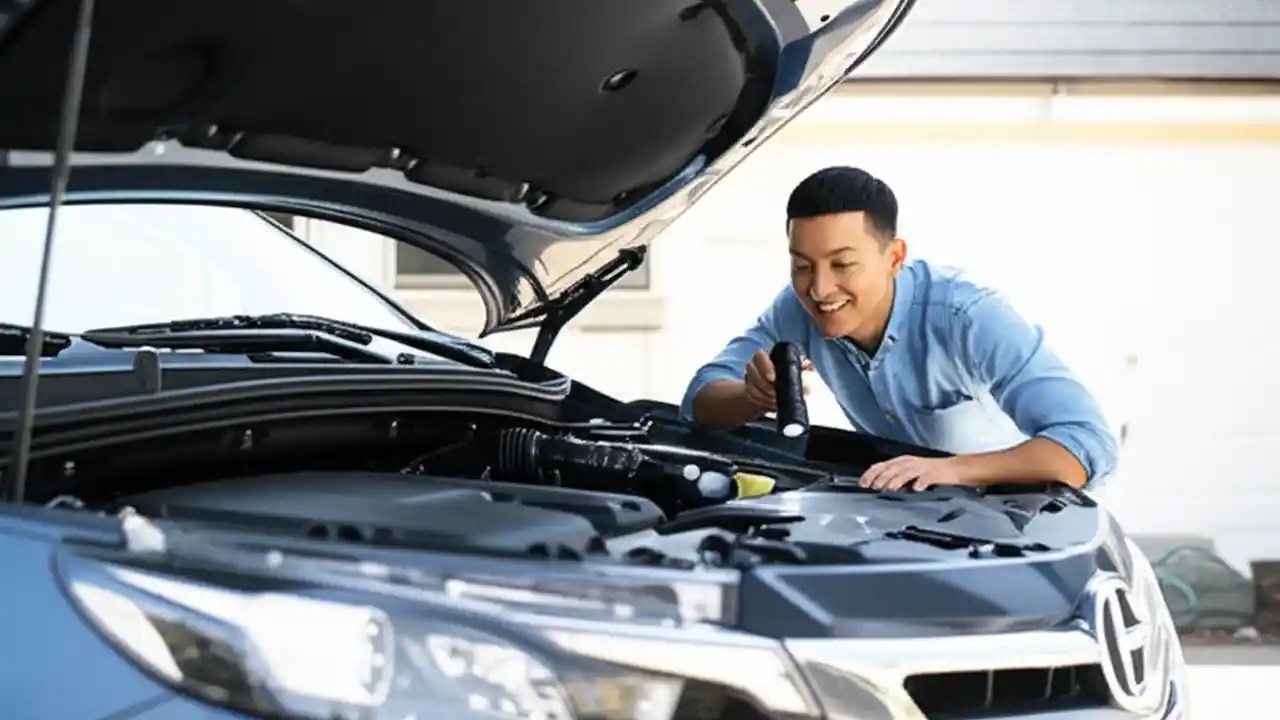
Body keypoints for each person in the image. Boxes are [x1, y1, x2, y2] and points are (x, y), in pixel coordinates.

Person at [679, 166, 1118, 492]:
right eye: (801, 266)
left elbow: (1086, 443)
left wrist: (951, 469)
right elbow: (698, 401)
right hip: (912, 519)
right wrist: (749, 398)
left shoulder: (968, 317)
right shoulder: (795, 310)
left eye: (843, 264)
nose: (820, 288)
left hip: (1023, 524)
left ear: (894, 257)